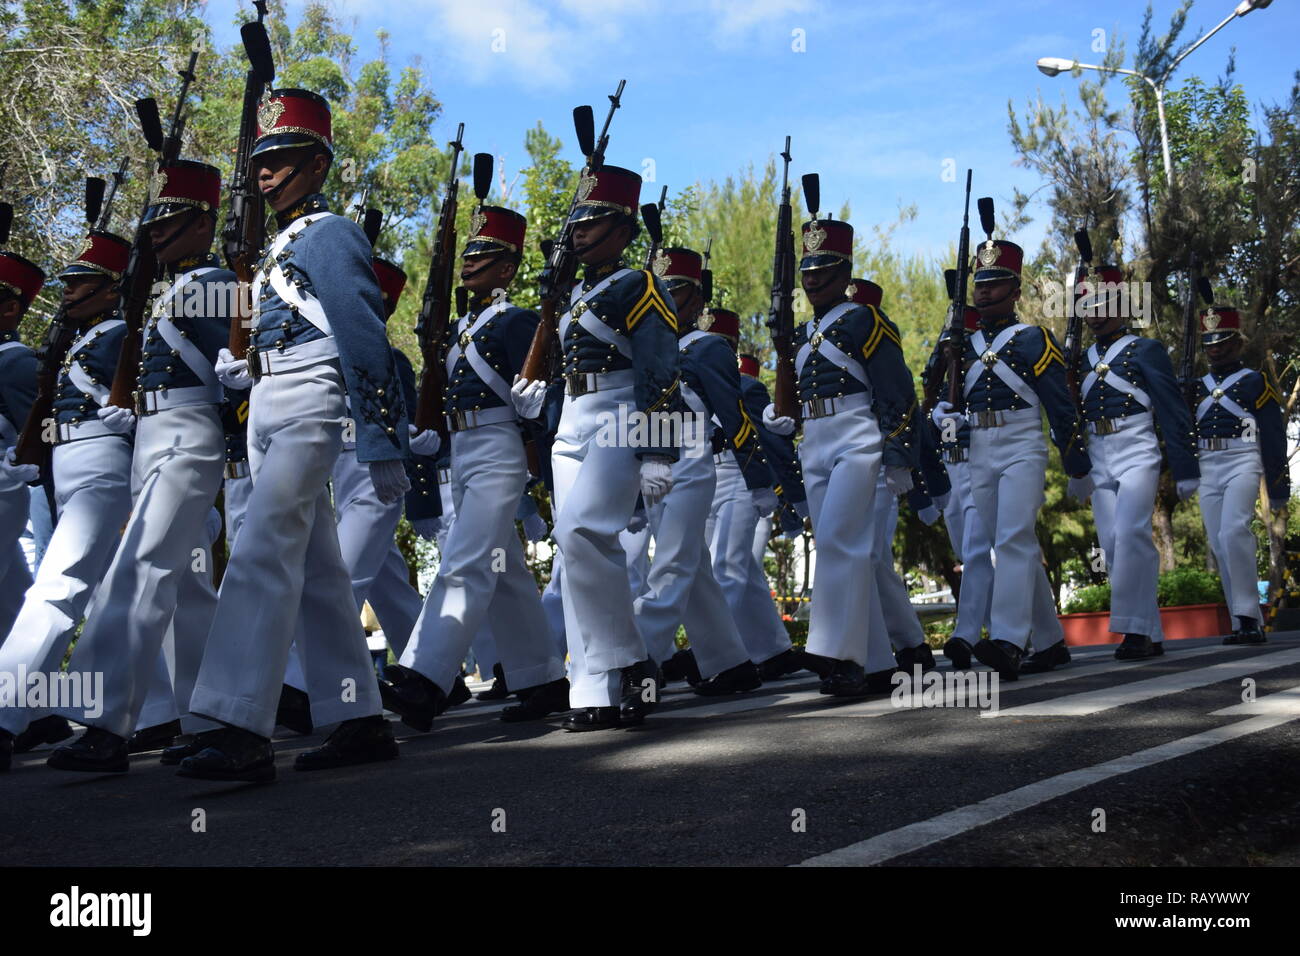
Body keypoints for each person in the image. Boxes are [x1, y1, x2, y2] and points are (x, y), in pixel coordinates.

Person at [181, 88, 410, 781]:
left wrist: (378, 436)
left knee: (261, 548)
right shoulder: (274, 247)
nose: (266, 173)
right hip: (270, 398)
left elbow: (364, 334)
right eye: (261, 162)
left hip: (314, 395)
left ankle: (237, 723)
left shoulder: (330, 234)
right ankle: (358, 717)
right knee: (317, 573)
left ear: (317, 164)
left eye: (282, 160)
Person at [47, 160, 237, 772]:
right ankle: (209, 716)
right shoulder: (165, 292)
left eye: (172, 221)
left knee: (139, 569)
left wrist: (239, 461)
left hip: (188, 435)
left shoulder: (215, 284)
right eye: (152, 221)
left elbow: (238, 379)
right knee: (183, 589)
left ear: (204, 224)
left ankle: (104, 724)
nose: (156, 233)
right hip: (153, 436)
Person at [382, 203, 568, 730]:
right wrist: (430, 430)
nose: (470, 265)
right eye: (468, 256)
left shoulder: (517, 322)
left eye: (484, 258)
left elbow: (542, 397)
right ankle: (542, 677)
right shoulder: (459, 327)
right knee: (503, 571)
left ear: (507, 270)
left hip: (498, 449)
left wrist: (544, 478)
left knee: (464, 560)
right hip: (462, 451)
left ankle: (425, 676)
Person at [516, 164, 681, 731]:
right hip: (572, 420)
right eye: (576, 222)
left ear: (623, 228)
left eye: (595, 221)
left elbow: (660, 367)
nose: (580, 232)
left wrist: (659, 448)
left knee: (585, 529)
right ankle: (595, 688)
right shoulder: (569, 292)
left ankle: (631, 663)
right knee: (575, 547)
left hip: (620, 414)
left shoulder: (639, 284)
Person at [763, 215, 918, 696]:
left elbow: (896, 389)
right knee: (837, 545)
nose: (812, 278)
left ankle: (837, 655)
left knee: (843, 541)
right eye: (807, 270)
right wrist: (780, 413)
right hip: (816, 437)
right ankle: (875, 662)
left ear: (845, 269)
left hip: (856, 433)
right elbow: (792, 395)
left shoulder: (863, 318)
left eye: (823, 269)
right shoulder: (801, 332)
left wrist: (898, 454)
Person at [0, 231, 134, 768]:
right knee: (116, 595)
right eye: (69, 282)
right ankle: (168, 712)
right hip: (69, 467)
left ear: (113, 290)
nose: (70, 291)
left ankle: (7, 709)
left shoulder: (122, 334)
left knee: (56, 589)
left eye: (84, 282)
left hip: (103, 463)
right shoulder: (77, 340)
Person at [931, 237, 1090, 680]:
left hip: (1022, 443)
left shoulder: (1033, 339)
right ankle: (1052, 642)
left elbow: (1060, 405)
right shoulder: (962, 344)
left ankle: (1007, 641)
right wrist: (944, 411)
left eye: (995, 283)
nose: (983, 292)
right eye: (979, 284)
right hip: (979, 445)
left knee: (1015, 537)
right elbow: (948, 396)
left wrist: (1077, 464)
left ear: (1015, 291)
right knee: (1010, 543)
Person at [634, 249, 770, 695]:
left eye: (676, 292)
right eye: (660, 292)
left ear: (697, 300)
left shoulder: (707, 346)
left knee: (670, 565)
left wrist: (759, 478)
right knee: (697, 572)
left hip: (692, 464)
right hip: (654, 464)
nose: (667, 302)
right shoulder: (646, 346)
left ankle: (635, 659)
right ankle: (731, 663)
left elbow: (735, 416)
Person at [1068, 263, 1199, 665]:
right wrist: (1074, 466)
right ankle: (1151, 630)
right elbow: (1068, 415)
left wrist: (1186, 465)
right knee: (1111, 544)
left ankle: (1135, 630)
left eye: (1105, 302)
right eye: (1088, 304)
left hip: (1137, 445)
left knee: (1130, 535)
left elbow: (1172, 408)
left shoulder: (1146, 349)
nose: (1096, 311)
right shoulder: (1079, 358)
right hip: (1097, 450)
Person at [1190, 305, 1290, 645]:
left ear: (1237, 343)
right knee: (1219, 544)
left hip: (1242, 459)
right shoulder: (1195, 386)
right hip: (1207, 463)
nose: (1215, 349)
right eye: (1209, 343)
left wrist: (1278, 484)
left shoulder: (1254, 381)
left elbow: (1274, 435)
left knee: (1234, 532)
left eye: (1222, 342)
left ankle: (1249, 616)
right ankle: (1239, 620)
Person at [0, 249, 43, 638]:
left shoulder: (15, 362)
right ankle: (28, 695)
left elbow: (38, 435)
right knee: (12, 603)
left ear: (10, 309)